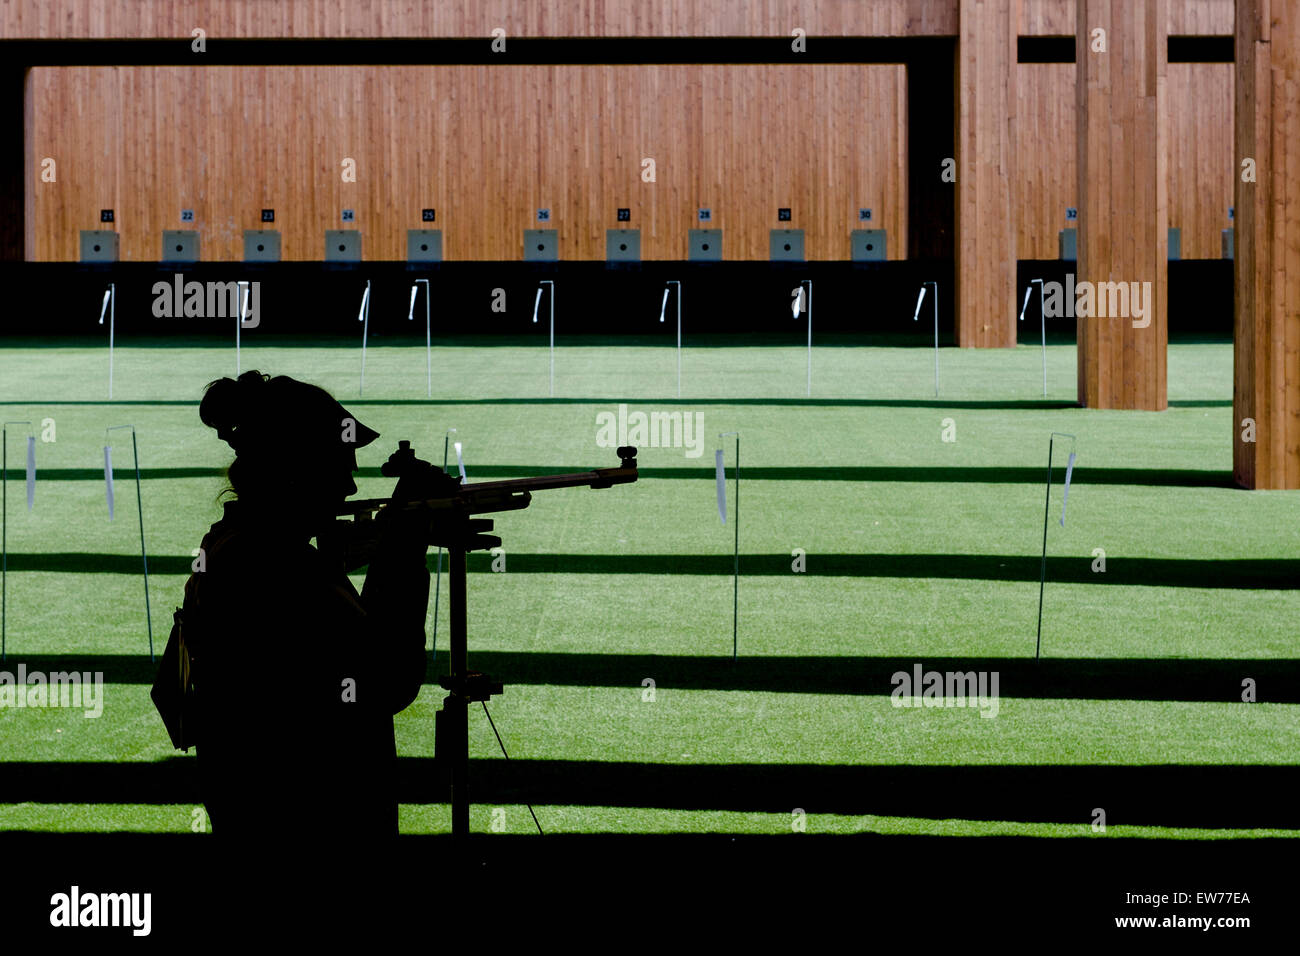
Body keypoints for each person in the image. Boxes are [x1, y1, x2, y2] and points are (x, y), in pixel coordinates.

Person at [183, 370, 433, 909]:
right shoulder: (273, 561)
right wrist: (403, 548)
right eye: (339, 467)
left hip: (275, 835)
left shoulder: (240, 545)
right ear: (295, 471)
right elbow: (385, 678)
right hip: (311, 847)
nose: (348, 486)